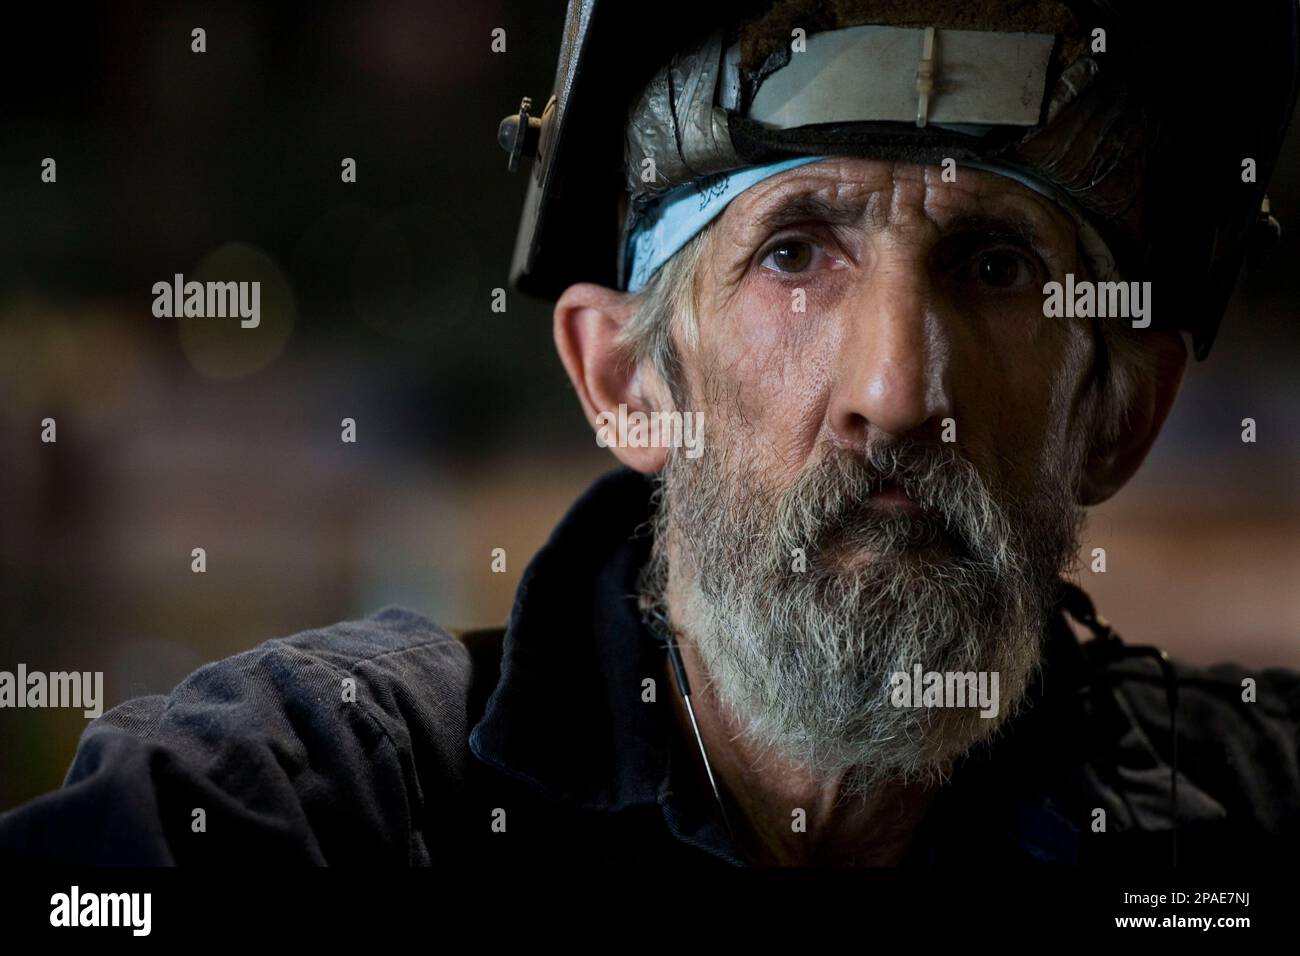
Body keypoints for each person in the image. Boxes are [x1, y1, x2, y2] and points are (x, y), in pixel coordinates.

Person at [2, 0, 1298, 866]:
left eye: (999, 268)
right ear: (625, 377)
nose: (898, 393)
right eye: (794, 253)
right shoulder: (325, 799)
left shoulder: (1241, 815)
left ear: (1118, 419)